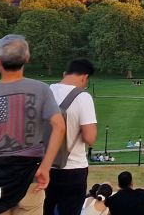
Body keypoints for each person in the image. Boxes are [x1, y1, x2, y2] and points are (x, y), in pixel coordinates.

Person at [0, 35, 66, 215]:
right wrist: (45, 166)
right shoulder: (41, 90)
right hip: (31, 178)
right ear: (27, 58)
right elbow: (59, 127)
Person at [44, 60, 98, 215]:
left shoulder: (46, 92)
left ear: (64, 74)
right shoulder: (83, 97)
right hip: (73, 168)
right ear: (84, 77)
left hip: (45, 165)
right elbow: (90, 138)